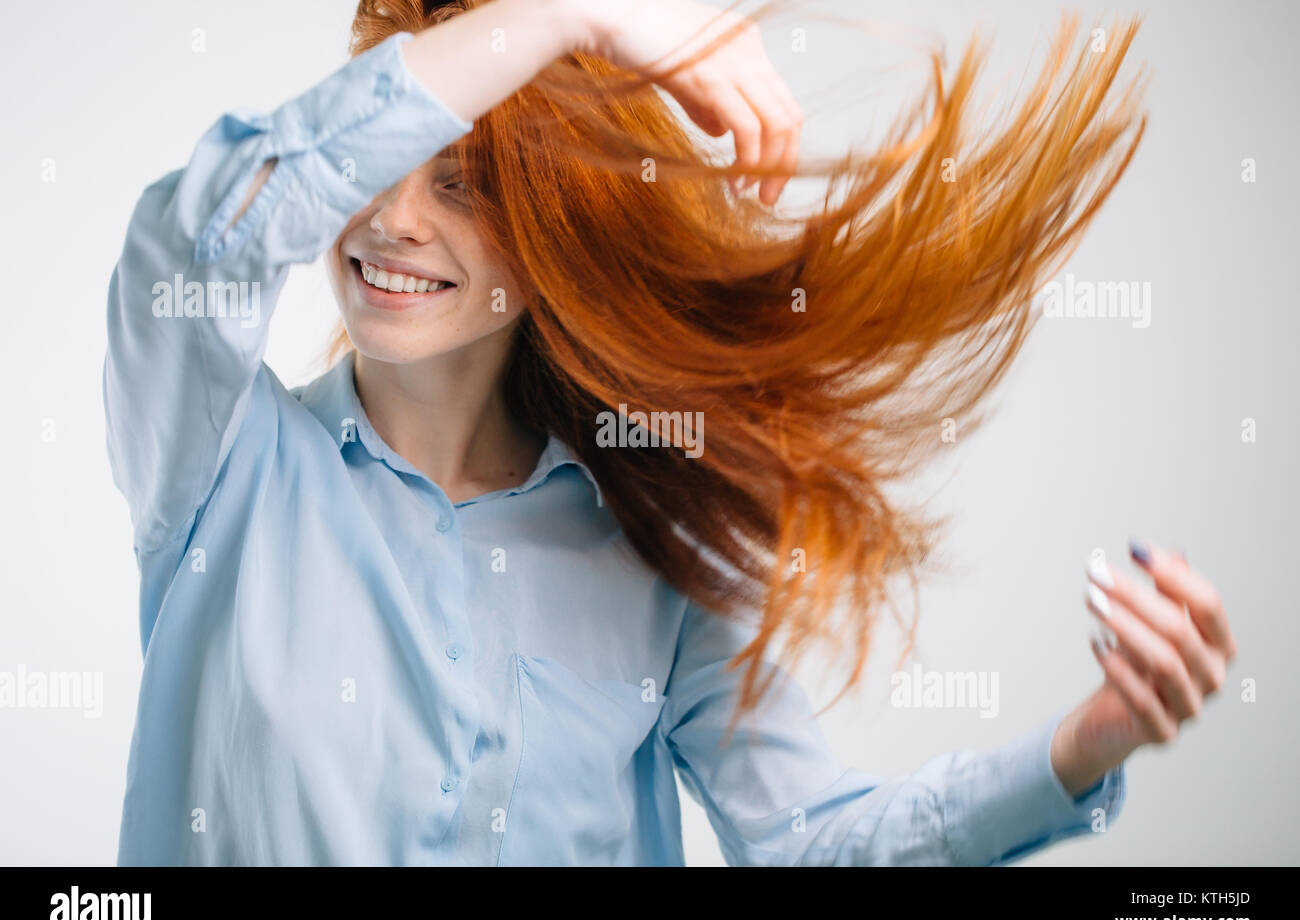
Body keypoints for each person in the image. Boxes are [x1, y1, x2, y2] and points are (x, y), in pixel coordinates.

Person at [105, 0, 1237, 865]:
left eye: (463, 184)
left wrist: (1086, 742)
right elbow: (196, 235)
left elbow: (810, 841)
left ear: (555, 235)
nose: (394, 219)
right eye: (376, 164)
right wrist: (564, 11)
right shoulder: (214, 464)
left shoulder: (649, 548)